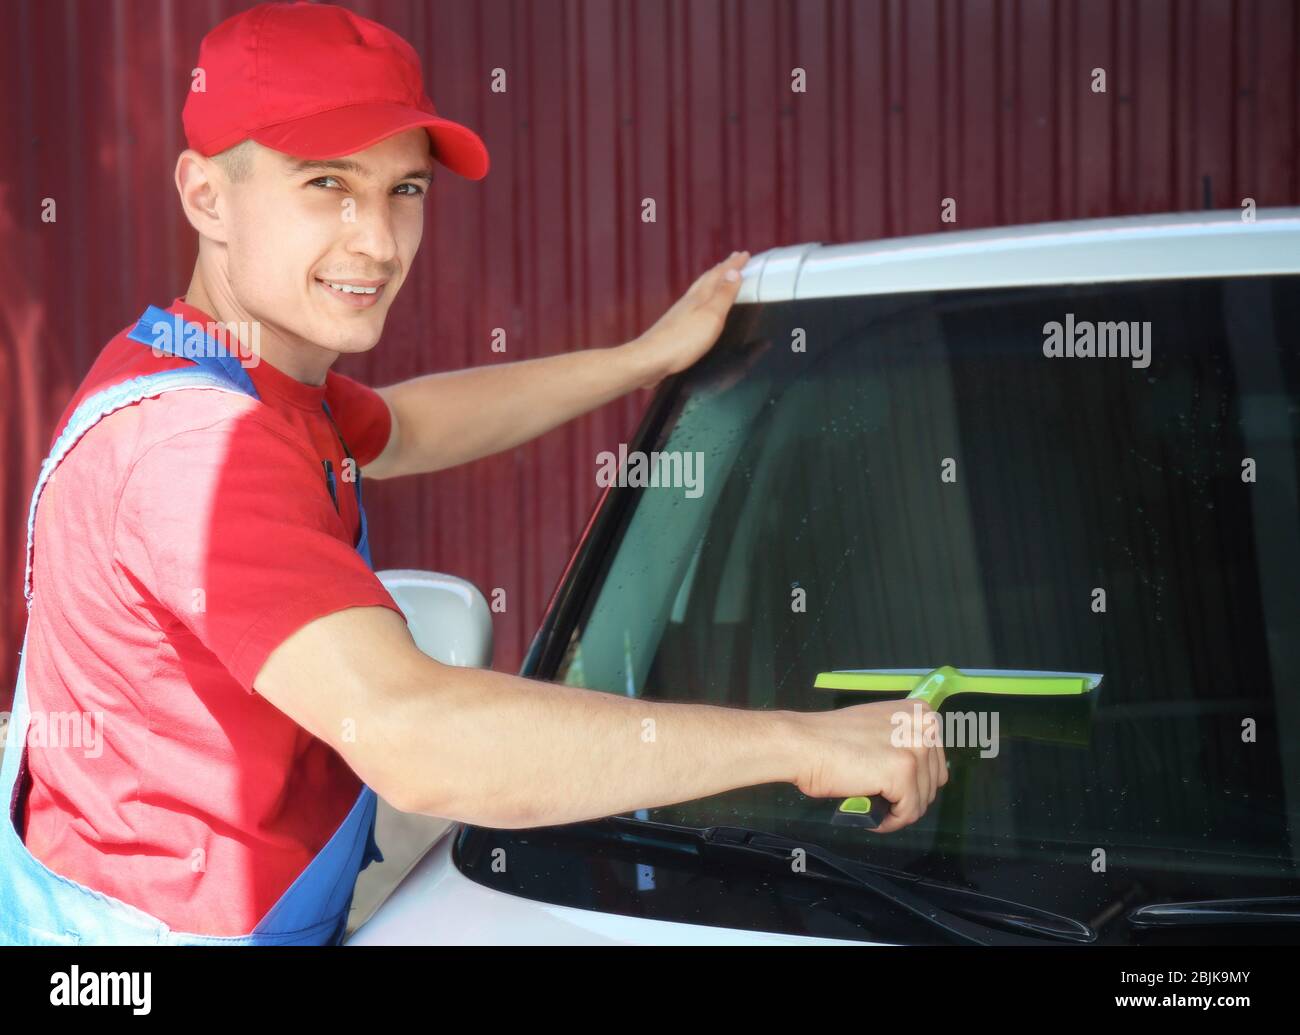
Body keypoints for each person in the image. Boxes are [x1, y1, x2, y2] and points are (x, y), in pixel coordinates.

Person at [0, 1, 945, 946]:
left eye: (402, 189)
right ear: (206, 194)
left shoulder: (228, 366)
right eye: (326, 181)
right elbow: (412, 732)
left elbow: (409, 422)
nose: (377, 239)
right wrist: (802, 745)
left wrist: (638, 359)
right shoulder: (199, 447)